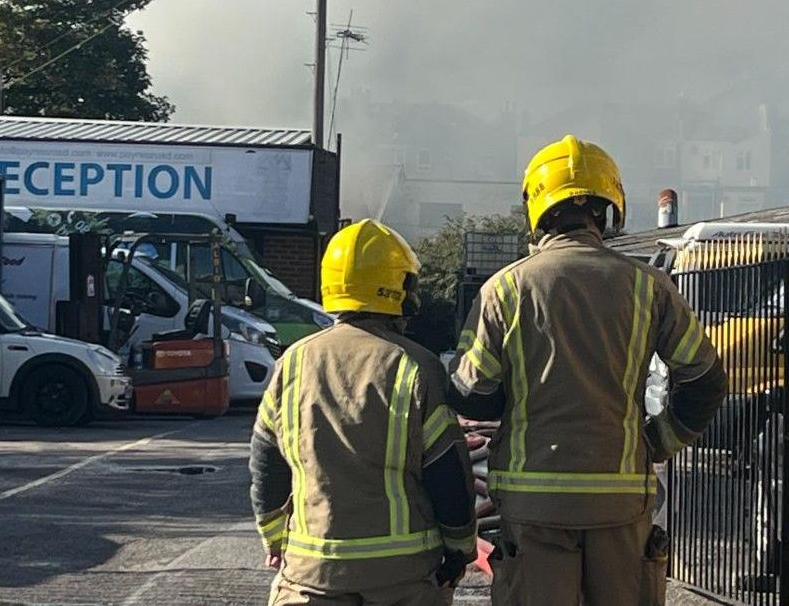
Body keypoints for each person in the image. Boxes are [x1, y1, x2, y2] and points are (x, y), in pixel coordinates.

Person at [450, 135, 727, 606]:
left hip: (533, 505)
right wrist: (658, 440)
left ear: (537, 209)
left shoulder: (505, 290)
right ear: (607, 207)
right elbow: (706, 381)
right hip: (619, 505)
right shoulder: (649, 287)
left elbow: (472, 393)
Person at [250, 218, 477, 606]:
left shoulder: (293, 363)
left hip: (312, 573)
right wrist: (460, 548)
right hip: (402, 577)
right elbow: (447, 473)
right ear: (401, 289)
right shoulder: (416, 366)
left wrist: (274, 539)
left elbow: (266, 463)